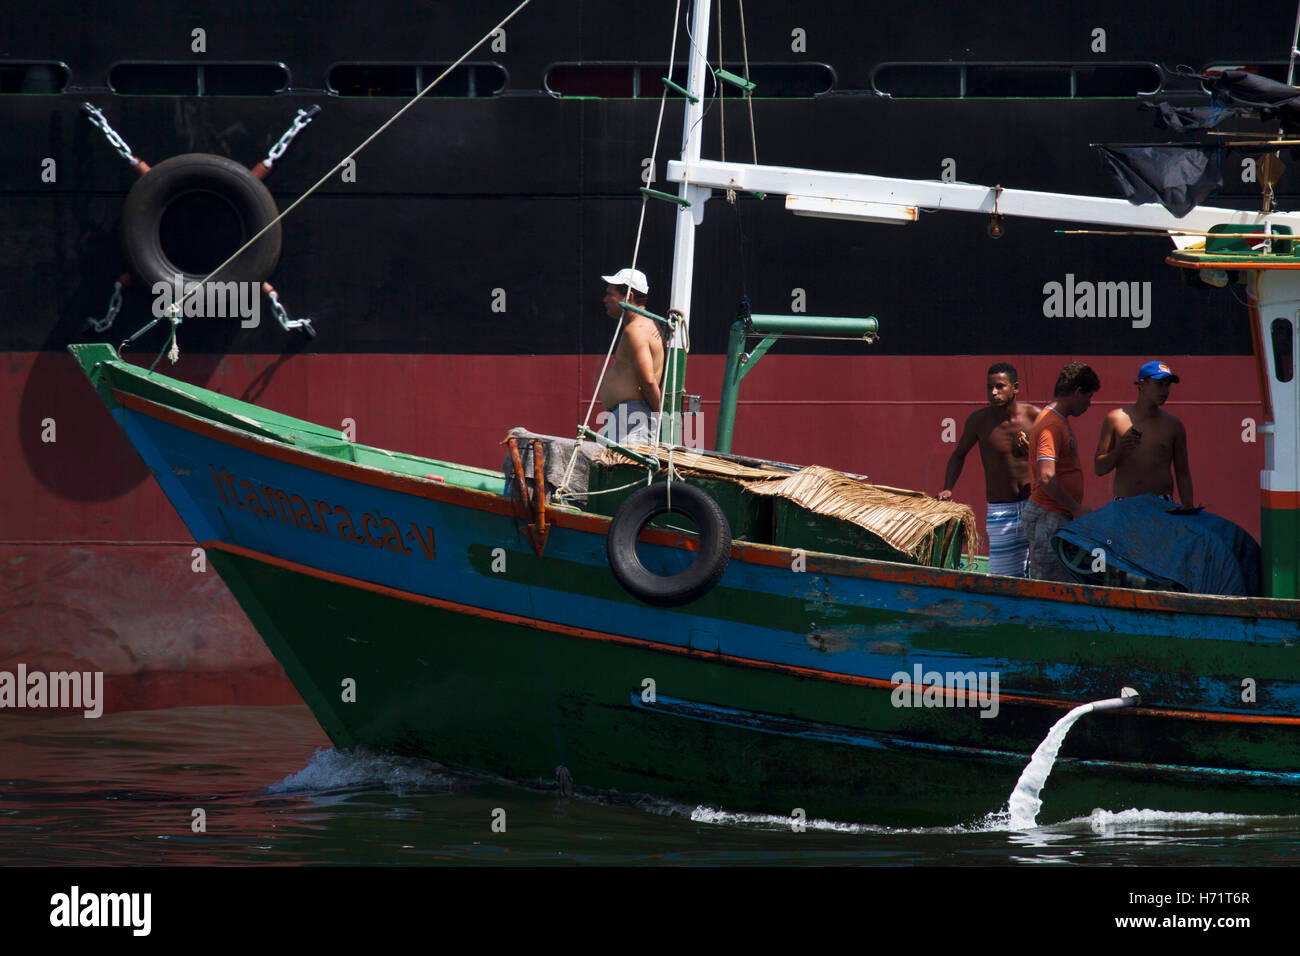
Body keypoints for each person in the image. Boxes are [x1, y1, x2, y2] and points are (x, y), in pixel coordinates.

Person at [938, 362, 1042, 576]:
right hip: (1001, 509)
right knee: (1001, 579)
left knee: (1045, 573)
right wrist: (948, 487)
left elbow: (1053, 461)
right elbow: (959, 454)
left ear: (1016, 387)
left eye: (1000, 386)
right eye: (989, 387)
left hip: (1036, 505)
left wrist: (1032, 454)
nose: (993, 392)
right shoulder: (979, 421)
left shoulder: (1035, 417)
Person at [1022, 361, 1101, 582]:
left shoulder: (1055, 421)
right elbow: (1046, 477)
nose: (1089, 403)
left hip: (1053, 516)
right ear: (1077, 392)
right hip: (1050, 517)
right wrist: (1076, 508)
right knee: (1048, 586)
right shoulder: (1052, 425)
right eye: (1089, 396)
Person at [1094, 361, 1194, 506]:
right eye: (1159, 384)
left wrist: (1189, 507)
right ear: (1142, 385)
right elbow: (1099, 469)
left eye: (1168, 385)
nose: (1165, 390)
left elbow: (1183, 473)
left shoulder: (1174, 425)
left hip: (1162, 505)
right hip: (1125, 505)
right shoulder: (1115, 419)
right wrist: (1120, 450)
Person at [597, 268, 664, 445]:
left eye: (610, 294)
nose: (605, 300)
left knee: (623, 471)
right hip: (629, 417)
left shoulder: (636, 330)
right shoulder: (648, 325)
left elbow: (648, 381)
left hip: (633, 418)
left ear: (629, 296)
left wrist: (661, 420)